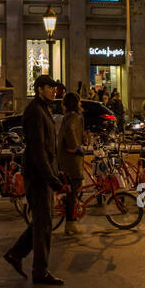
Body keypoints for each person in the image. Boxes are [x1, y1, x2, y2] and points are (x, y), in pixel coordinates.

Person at [4, 75, 64, 286]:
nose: (54, 91)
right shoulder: (34, 111)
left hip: (43, 173)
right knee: (44, 223)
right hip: (38, 176)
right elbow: (38, 150)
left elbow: (49, 147)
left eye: (54, 88)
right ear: (40, 89)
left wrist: (57, 173)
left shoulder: (44, 109)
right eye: (50, 88)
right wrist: (51, 178)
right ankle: (40, 271)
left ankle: (16, 254)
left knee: (42, 222)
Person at [57, 92, 85, 237]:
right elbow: (70, 131)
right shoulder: (74, 116)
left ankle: (71, 218)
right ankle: (70, 223)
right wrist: (75, 147)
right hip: (71, 160)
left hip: (65, 159)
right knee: (72, 190)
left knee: (73, 189)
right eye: (79, 101)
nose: (81, 104)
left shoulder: (67, 116)